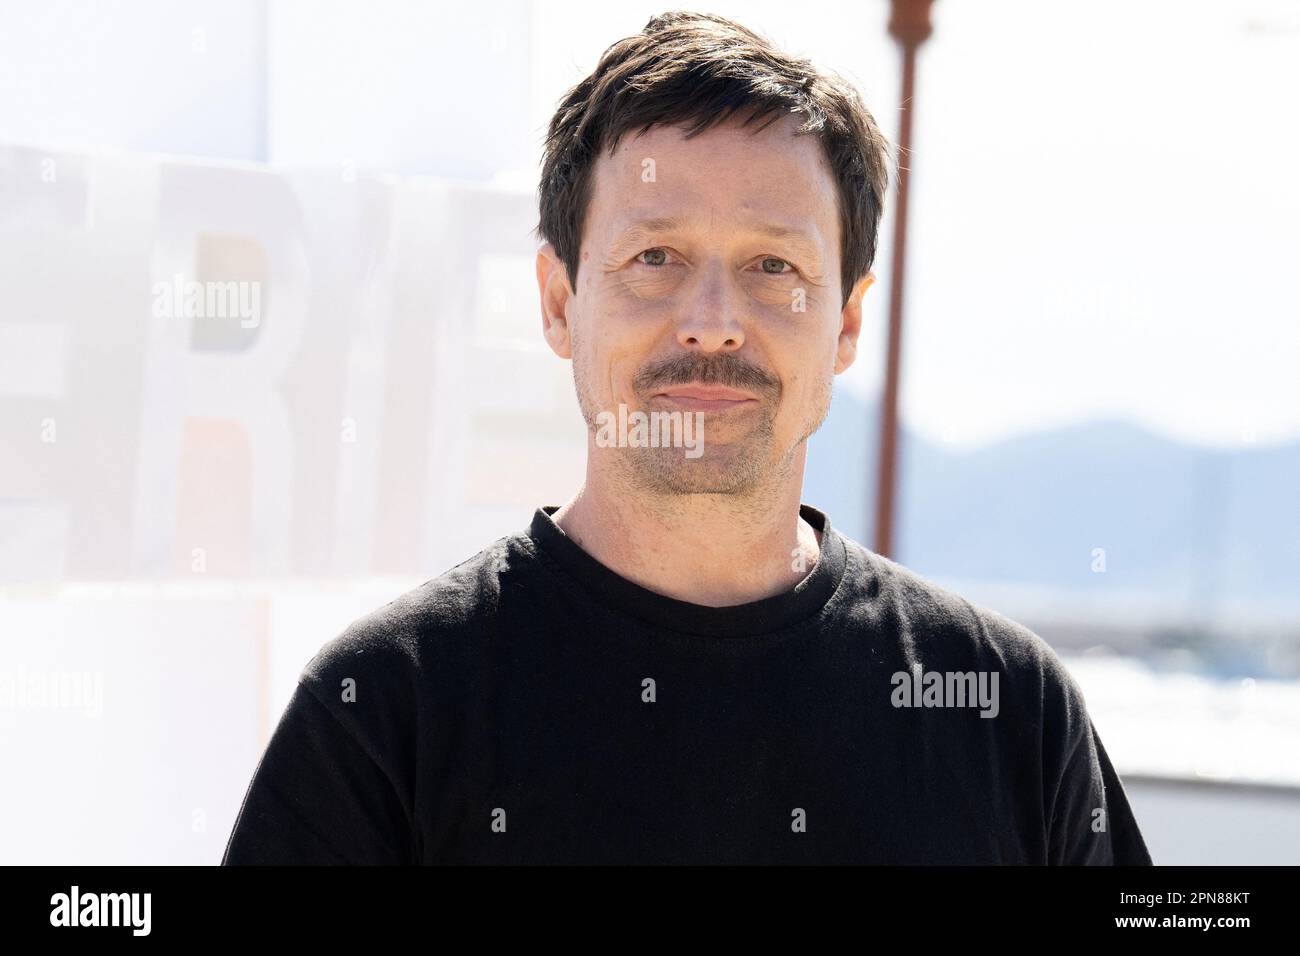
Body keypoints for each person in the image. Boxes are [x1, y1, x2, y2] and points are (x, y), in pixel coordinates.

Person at [222, 11, 1152, 865]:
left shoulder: (1010, 713)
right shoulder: (386, 715)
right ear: (559, 302)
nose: (712, 322)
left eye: (772, 264)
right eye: (654, 258)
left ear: (845, 325)